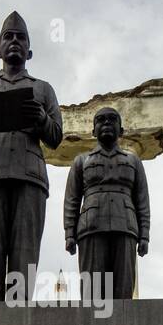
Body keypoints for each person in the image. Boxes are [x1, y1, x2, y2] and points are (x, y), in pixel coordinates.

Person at [0, 11, 64, 301]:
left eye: (21, 37)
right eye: (8, 36)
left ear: (29, 50)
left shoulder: (43, 89)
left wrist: (41, 118)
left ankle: (19, 323)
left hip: (29, 177)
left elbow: (56, 137)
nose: (14, 41)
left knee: (23, 261)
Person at [63, 107, 150, 300]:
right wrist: (69, 234)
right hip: (91, 228)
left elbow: (142, 200)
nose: (107, 123)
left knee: (123, 292)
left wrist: (145, 235)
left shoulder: (134, 161)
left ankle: (122, 321)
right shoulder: (81, 161)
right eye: (101, 120)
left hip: (125, 227)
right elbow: (72, 199)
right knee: (92, 294)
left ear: (121, 130)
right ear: (93, 131)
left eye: (112, 119)